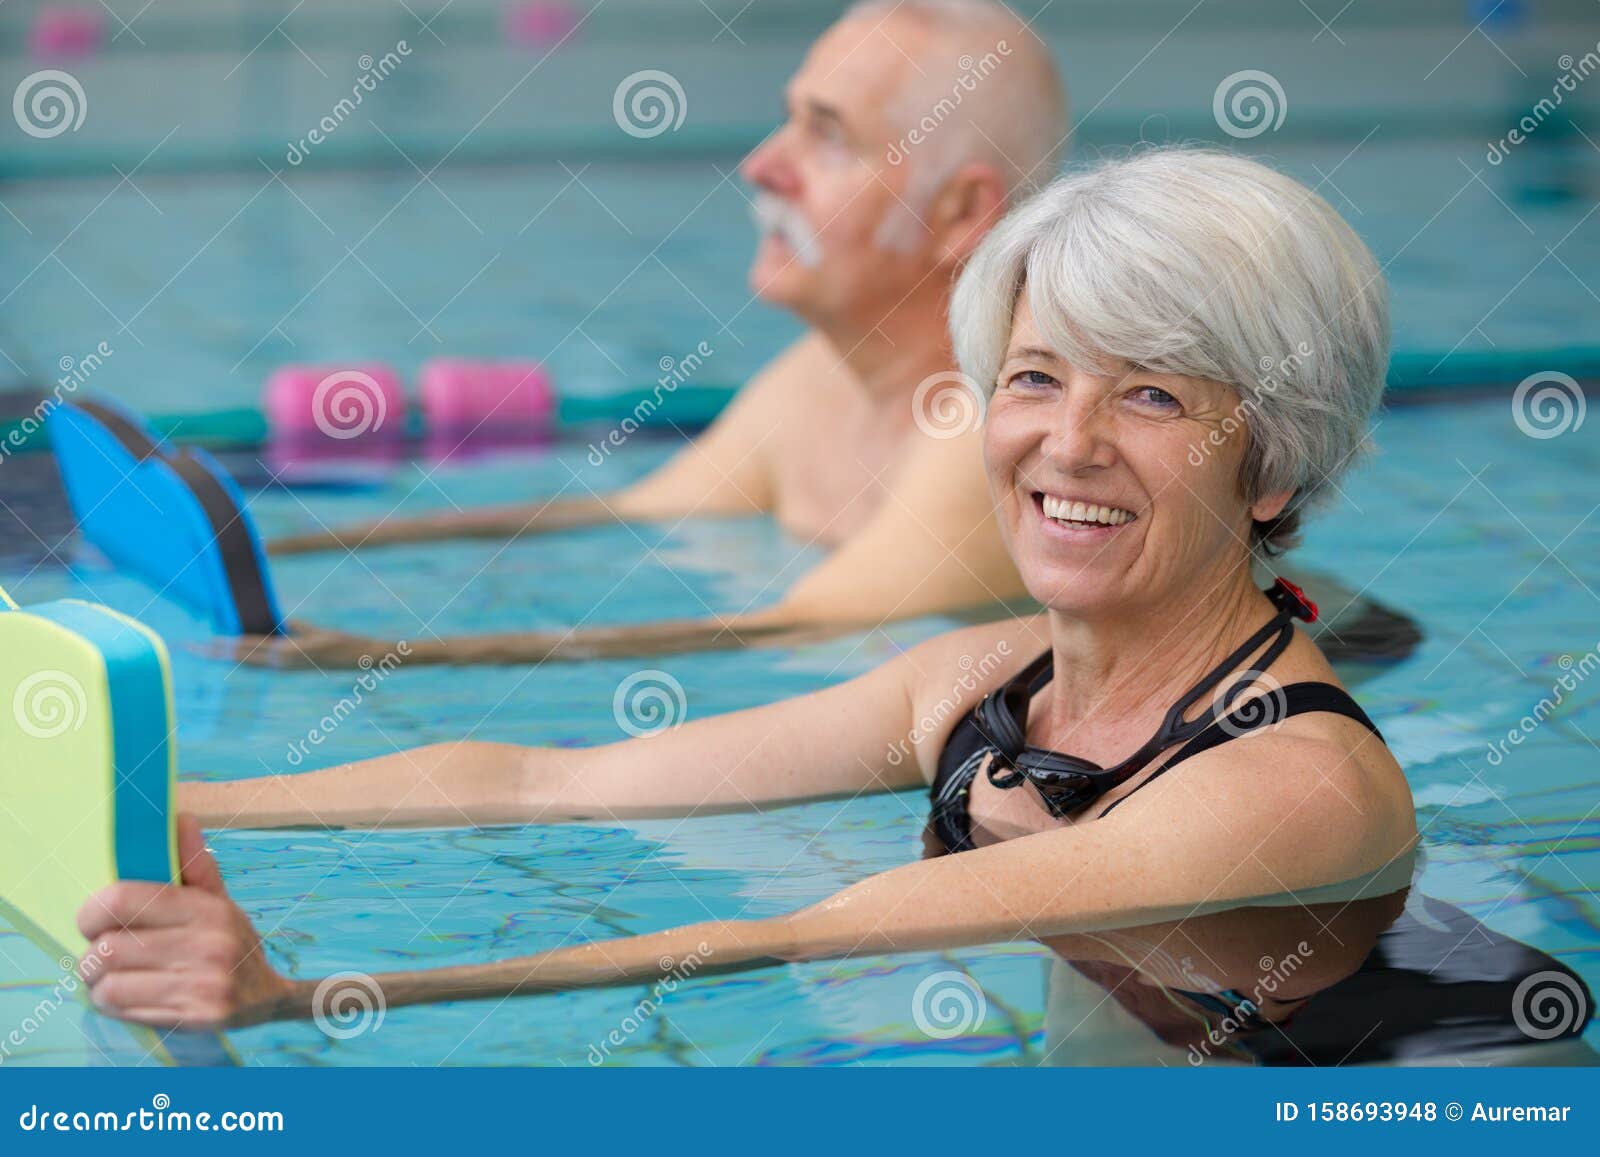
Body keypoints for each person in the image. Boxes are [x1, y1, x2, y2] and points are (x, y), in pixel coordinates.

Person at [85, 150, 1467, 1047]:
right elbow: (556, 780)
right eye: (1036, 377)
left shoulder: (1294, 787)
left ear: (1271, 464)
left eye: (1152, 395)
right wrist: (158, 799)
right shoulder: (982, 680)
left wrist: (291, 998)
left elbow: (792, 934)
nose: (1069, 442)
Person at [233, 1, 1412, 671]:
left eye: (827, 136)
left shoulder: (1010, 444)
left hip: (1336, 675)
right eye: (785, 122)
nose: (762, 165)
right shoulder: (818, 380)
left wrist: (361, 657)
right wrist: (269, 549)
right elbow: (624, 515)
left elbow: (786, 631)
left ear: (961, 213)